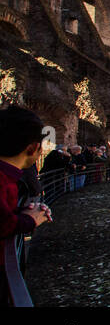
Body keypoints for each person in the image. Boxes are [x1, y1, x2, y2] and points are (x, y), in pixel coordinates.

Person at [0, 106, 53, 271]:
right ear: (32, 148)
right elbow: (3, 224)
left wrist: (22, 211)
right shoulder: (3, 179)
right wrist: (30, 220)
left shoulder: (9, 177)